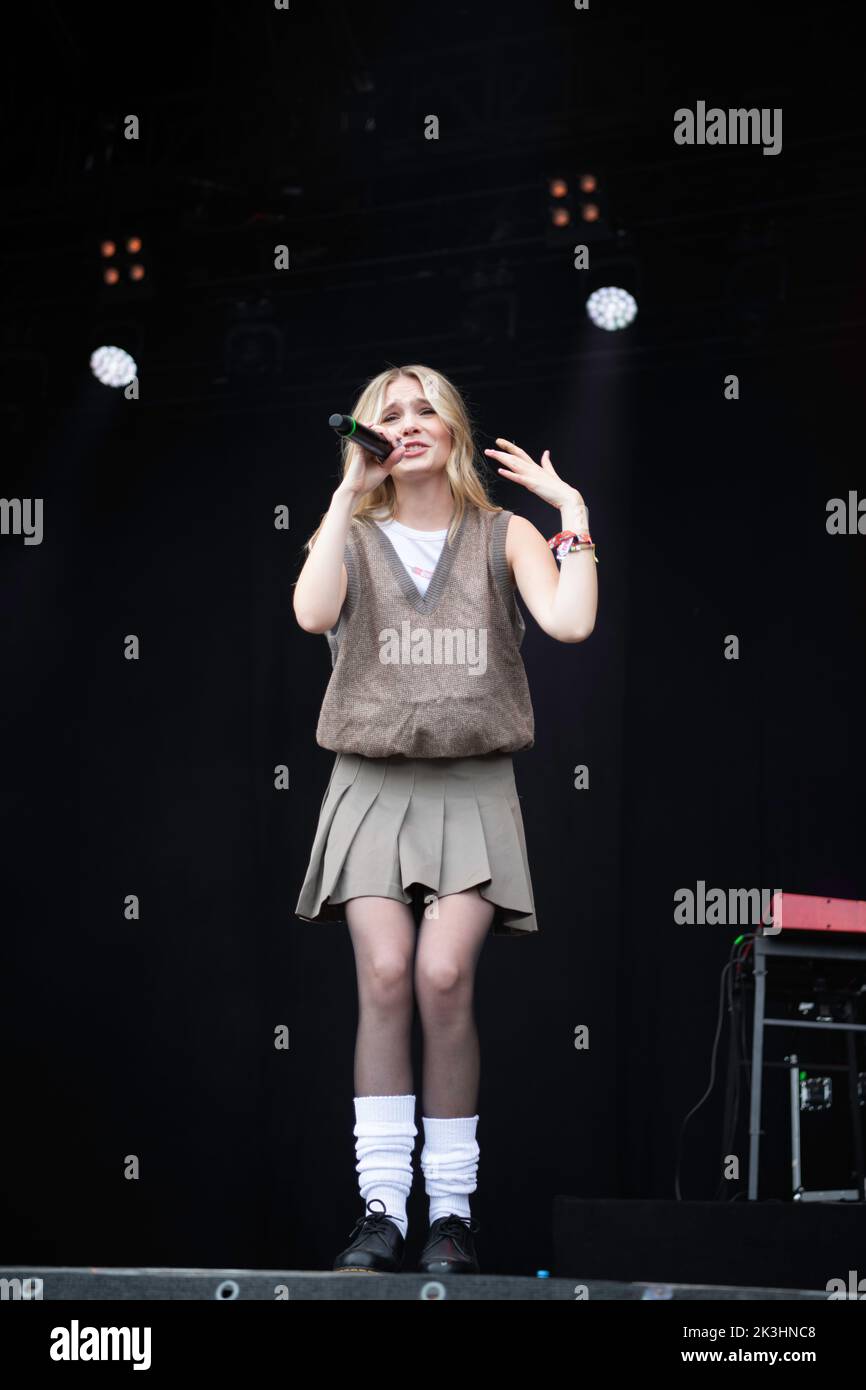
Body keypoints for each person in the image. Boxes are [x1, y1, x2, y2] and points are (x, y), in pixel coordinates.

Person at [292, 363, 598, 1275]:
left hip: (471, 783)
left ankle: (451, 1213)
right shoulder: (350, 527)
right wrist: (350, 492)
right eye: (392, 415)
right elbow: (312, 613)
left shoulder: (502, 535)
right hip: (370, 781)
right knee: (385, 974)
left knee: (442, 974)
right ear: (370, 435)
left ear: (455, 430)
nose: (411, 424)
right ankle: (382, 1207)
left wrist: (570, 512)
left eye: (427, 411)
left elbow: (571, 624)